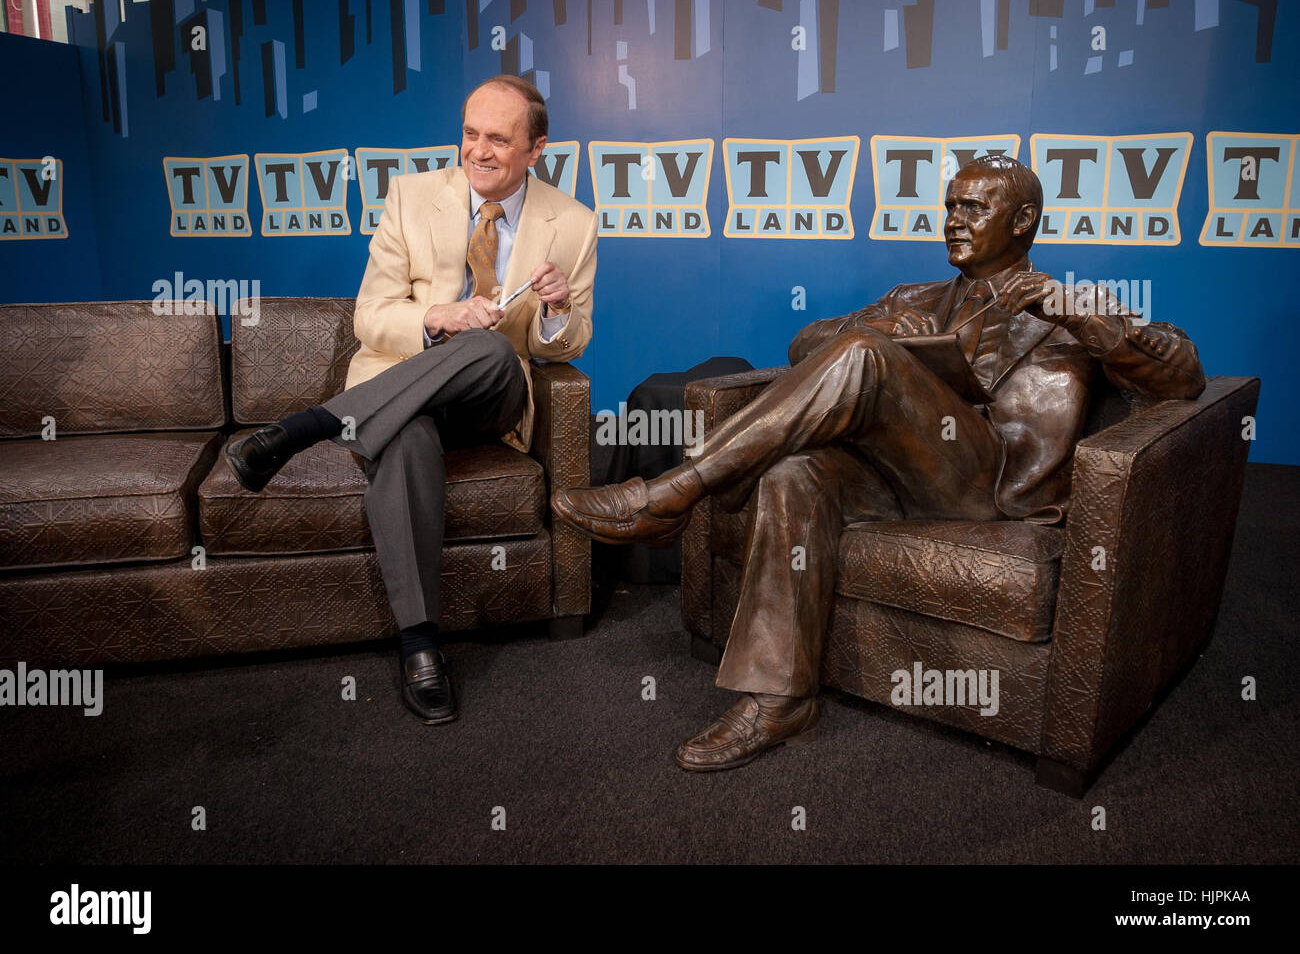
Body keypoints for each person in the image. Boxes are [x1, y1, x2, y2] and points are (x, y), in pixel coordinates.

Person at [553, 155, 1203, 771]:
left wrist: (1074, 311)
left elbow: (1181, 377)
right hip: (903, 479)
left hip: (996, 489)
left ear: (1024, 220)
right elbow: (803, 343)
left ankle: (670, 494)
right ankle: (780, 703)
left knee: (865, 354)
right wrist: (887, 334)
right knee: (794, 470)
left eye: (973, 208)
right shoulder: (914, 297)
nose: (953, 220)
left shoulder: (1071, 308)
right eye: (950, 206)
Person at [224, 75, 597, 725]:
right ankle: (421, 646)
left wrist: (560, 306)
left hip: (491, 396)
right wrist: (438, 318)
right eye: (470, 134)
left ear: (536, 150)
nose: (478, 151)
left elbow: (566, 346)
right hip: (402, 387)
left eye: (499, 140)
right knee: (407, 435)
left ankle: (306, 428)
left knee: (489, 350)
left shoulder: (573, 222)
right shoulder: (412, 196)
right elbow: (370, 315)